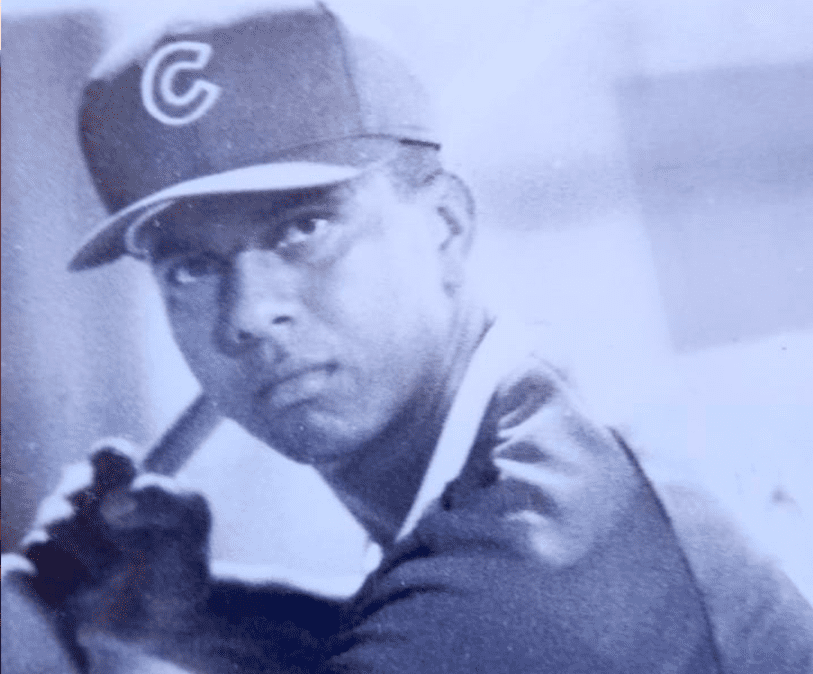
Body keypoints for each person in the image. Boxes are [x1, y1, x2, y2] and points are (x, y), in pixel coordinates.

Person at [2, 3, 812, 673]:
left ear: (444, 227)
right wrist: (194, 621)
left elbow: (477, 635)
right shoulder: (536, 431)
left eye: (302, 228)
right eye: (189, 267)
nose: (246, 312)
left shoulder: (530, 568)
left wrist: (33, 650)